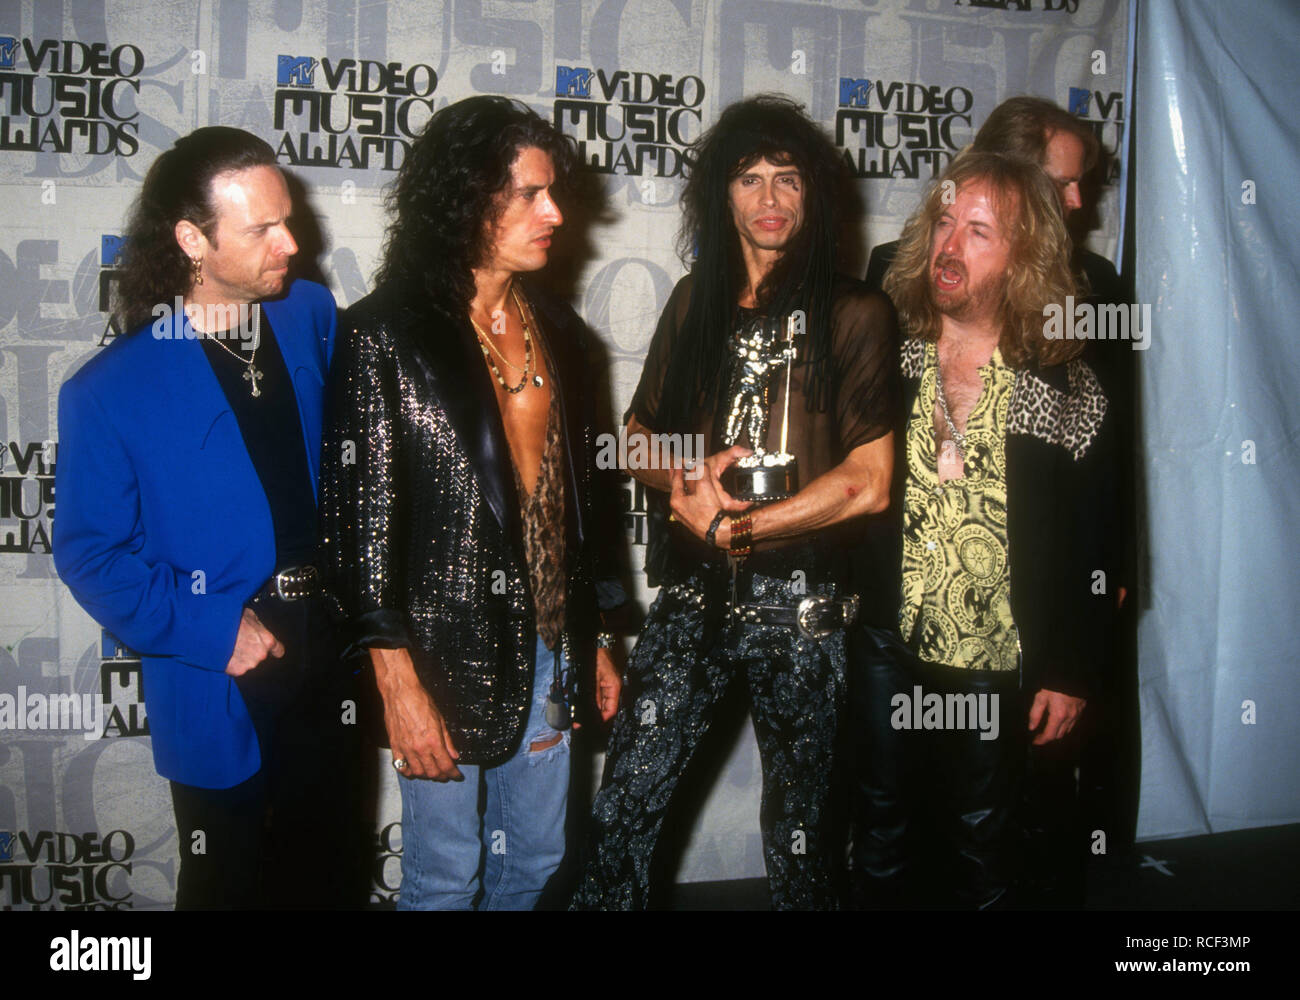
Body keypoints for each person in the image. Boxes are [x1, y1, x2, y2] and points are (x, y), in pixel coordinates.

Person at [572, 95, 898, 910]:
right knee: (623, 813)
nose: (770, 199)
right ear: (721, 195)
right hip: (694, 595)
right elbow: (636, 438)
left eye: (788, 180)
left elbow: (870, 479)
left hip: (808, 605)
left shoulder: (856, 311)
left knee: (803, 843)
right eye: (749, 180)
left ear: (813, 195)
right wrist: (688, 475)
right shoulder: (695, 301)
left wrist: (737, 524)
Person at [319, 96, 623, 911]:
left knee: (537, 862)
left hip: (552, 645)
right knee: (445, 878)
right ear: (465, 199)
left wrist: (590, 634)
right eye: (528, 193)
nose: (554, 212)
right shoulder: (385, 334)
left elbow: (575, 504)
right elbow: (361, 525)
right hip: (439, 655)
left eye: (551, 191)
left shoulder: (563, 332)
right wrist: (397, 681)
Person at [53, 127, 359, 909]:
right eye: (262, 229)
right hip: (224, 672)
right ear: (193, 238)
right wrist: (211, 627)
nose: (292, 242)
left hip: (332, 656)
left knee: (327, 877)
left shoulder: (310, 314)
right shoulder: (111, 390)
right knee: (228, 885)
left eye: (287, 218)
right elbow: (91, 555)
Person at [850, 150, 1115, 908]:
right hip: (884, 639)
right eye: (942, 222)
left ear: (1024, 256)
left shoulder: (1065, 383)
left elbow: (1094, 543)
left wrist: (1072, 671)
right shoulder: (881, 352)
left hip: (996, 653)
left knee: (982, 845)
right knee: (880, 831)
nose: (948, 247)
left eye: (978, 231)